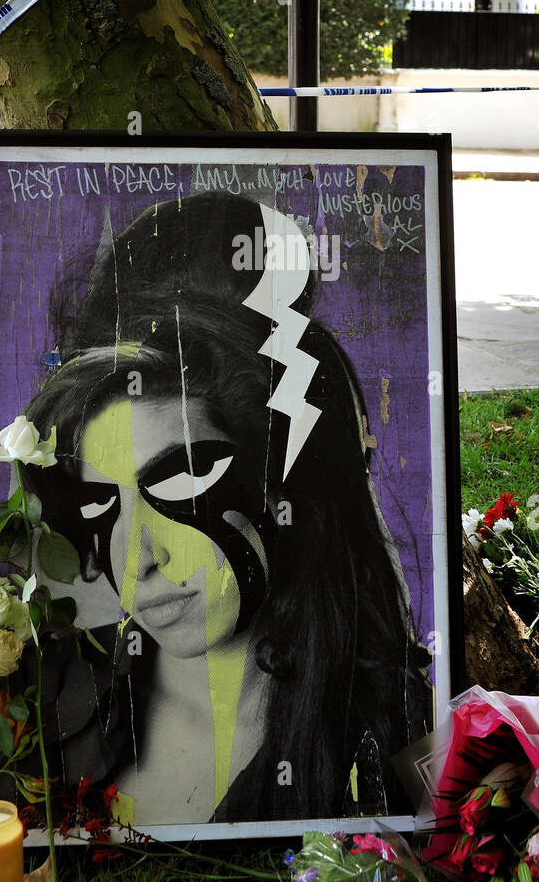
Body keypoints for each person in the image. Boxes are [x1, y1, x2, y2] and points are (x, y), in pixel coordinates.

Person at [23, 191, 430, 826]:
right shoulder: (51, 700)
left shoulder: (386, 733)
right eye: (102, 502)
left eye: (182, 477)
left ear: (276, 482)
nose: (138, 561)